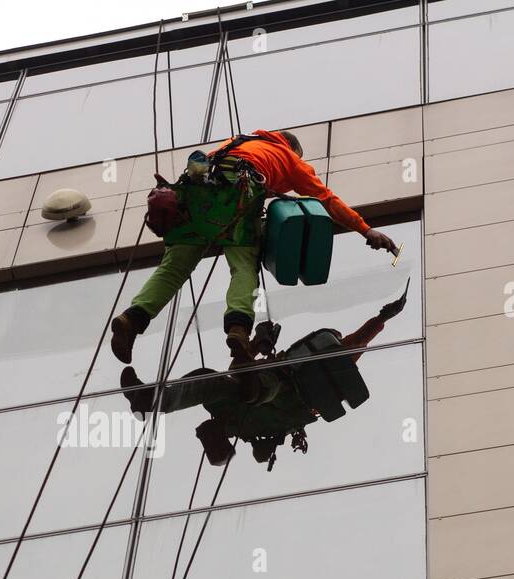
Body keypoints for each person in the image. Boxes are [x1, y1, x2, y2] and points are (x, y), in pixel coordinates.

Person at [110, 128, 398, 367]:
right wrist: (365, 229)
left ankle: (132, 319)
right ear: (292, 148)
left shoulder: (235, 144)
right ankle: (238, 329)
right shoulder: (288, 157)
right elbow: (325, 199)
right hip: (236, 197)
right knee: (244, 266)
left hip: (195, 199)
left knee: (173, 268)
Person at [120, 280, 409, 468]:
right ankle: (151, 400)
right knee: (214, 380)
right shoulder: (305, 363)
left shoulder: (327, 363)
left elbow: (358, 340)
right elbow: (239, 371)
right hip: (261, 404)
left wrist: (382, 318)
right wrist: (258, 347)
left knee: (239, 384)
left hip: (273, 399)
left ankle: (155, 400)